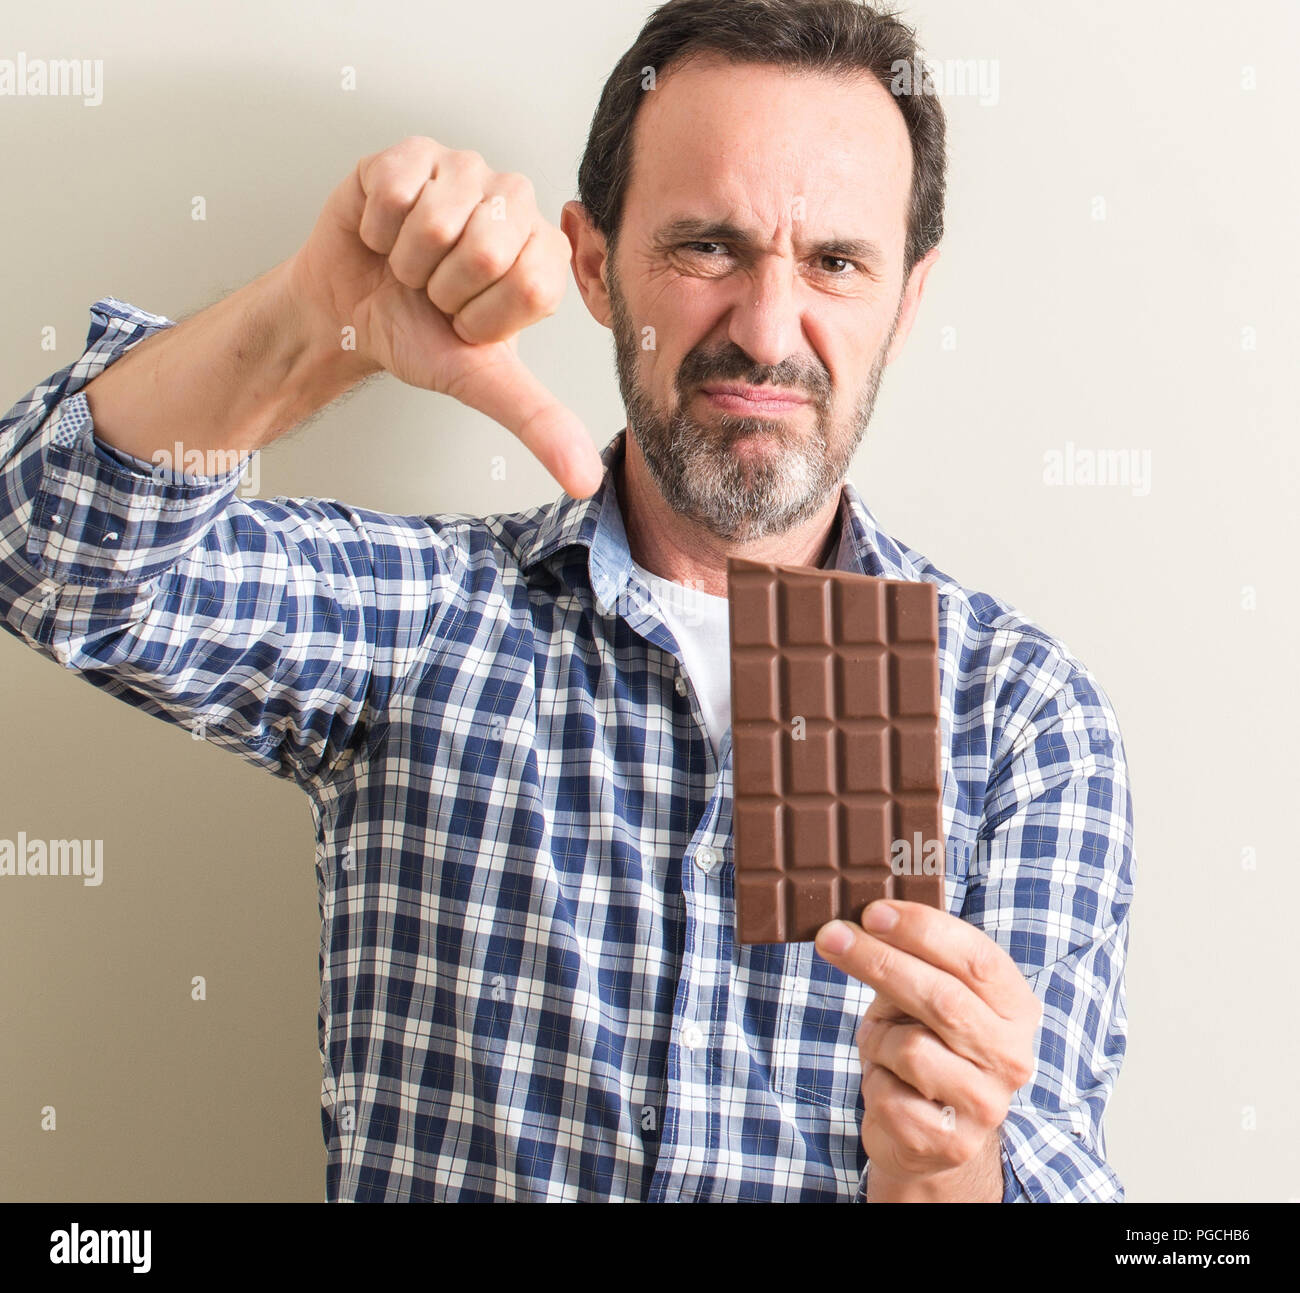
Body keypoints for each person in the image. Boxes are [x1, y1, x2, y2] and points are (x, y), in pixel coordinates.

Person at [0, 0, 1133, 1201]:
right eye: (706, 247)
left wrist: (949, 1171)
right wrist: (302, 325)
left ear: (905, 298)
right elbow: (48, 559)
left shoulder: (1020, 720)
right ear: (593, 263)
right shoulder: (429, 619)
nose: (764, 329)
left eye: (836, 262)